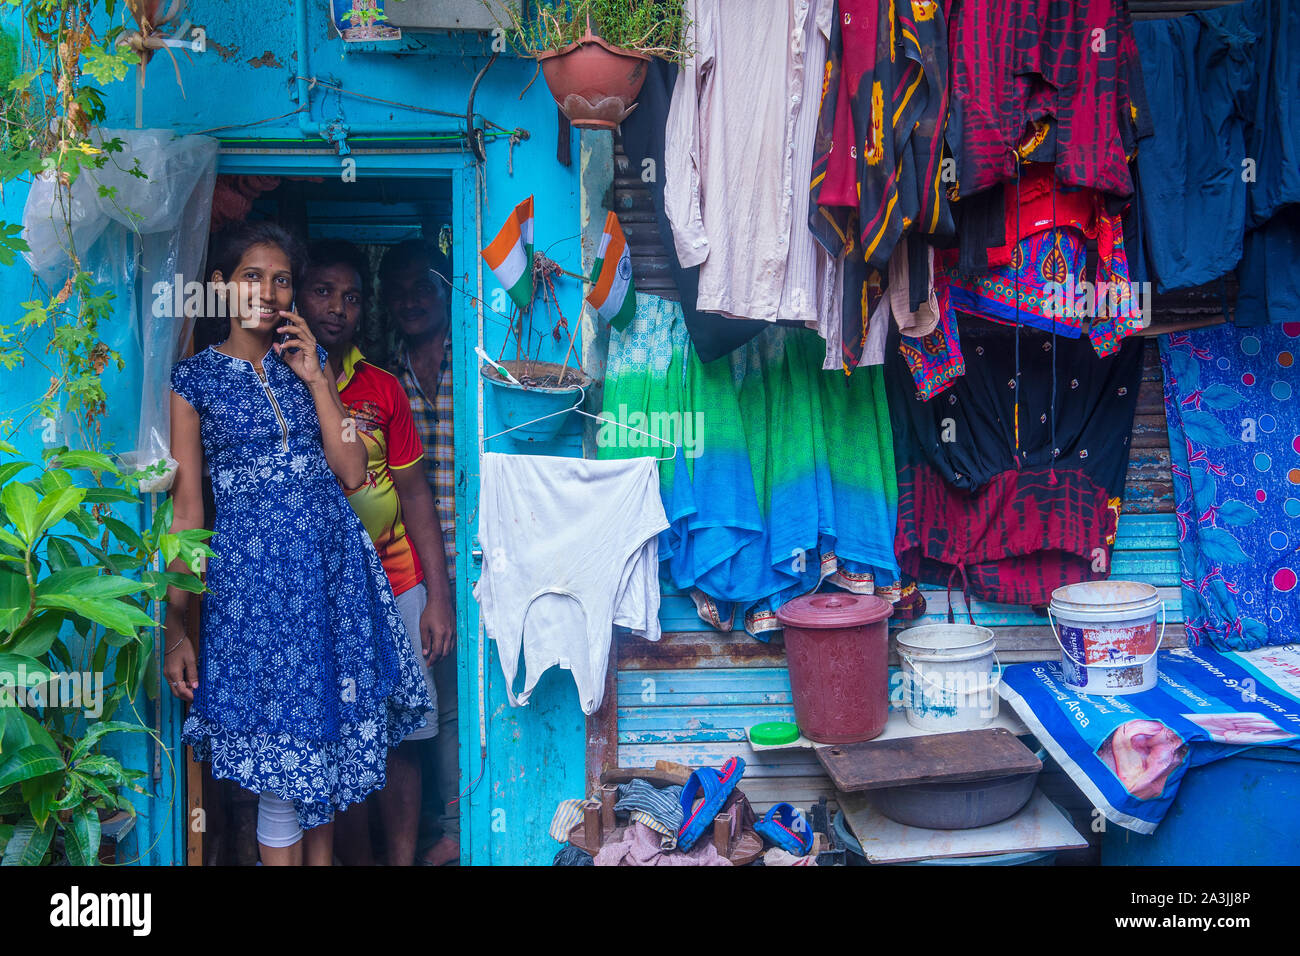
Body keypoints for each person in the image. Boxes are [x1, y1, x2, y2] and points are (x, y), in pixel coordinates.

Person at [163, 221, 433, 866]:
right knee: (283, 771)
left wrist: (315, 377)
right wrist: (177, 623)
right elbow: (188, 513)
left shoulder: (307, 371)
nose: (268, 291)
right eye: (252, 276)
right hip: (257, 592)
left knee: (324, 759)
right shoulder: (193, 382)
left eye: (281, 279)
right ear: (222, 286)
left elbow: (349, 472)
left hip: (331, 584)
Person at [298, 238, 455, 865]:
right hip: (313, 591)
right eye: (323, 292)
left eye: (352, 298)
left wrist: (436, 600)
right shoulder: (268, 385)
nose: (338, 309)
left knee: (402, 738)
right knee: (339, 739)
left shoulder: (381, 386)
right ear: (295, 297)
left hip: (396, 585)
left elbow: (415, 497)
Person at [381, 239, 461, 866]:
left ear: (446, 290)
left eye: (422, 287)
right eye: (397, 290)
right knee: (413, 707)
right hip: (408, 571)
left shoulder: (473, 360)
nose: (410, 300)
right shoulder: (385, 378)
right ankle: (422, 835)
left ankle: (460, 830)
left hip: (476, 557)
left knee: (460, 704)